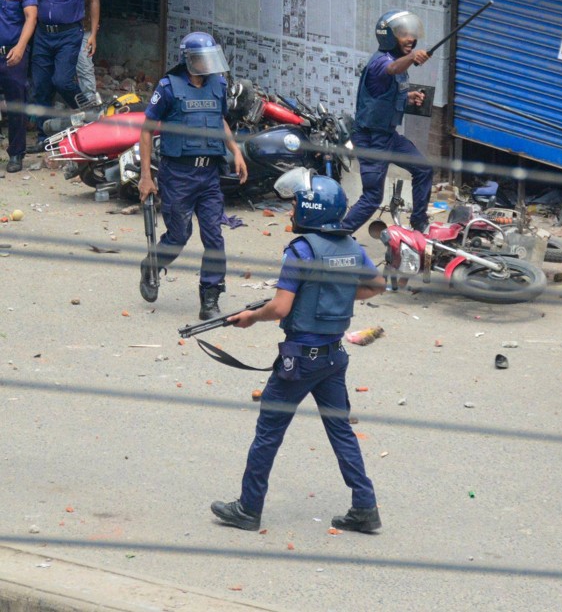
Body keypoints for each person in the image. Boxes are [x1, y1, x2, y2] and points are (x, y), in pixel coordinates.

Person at [211, 168, 386, 533]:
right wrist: (335, 293)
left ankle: (248, 508)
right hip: (333, 359)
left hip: (300, 362)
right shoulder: (352, 248)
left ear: (310, 210)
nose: (291, 213)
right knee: (341, 432)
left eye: (295, 206)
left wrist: (252, 317)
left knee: (268, 432)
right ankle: (365, 507)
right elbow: (377, 285)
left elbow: (280, 308)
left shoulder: (302, 250)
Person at [136, 32, 247, 319]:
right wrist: (146, 176)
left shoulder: (218, 85)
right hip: (178, 175)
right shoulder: (169, 87)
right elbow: (147, 130)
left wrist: (235, 150)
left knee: (214, 236)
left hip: (209, 173)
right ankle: (152, 264)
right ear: (188, 59)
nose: (208, 64)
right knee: (178, 235)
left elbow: (219, 119)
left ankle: (210, 298)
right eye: (202, 58)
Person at [341, 10, 433, 234]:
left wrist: (409, 97)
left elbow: (384, 94)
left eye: (412, 34)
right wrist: (412, 58)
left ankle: (419, 223)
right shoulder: (381, 63)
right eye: (404, 35)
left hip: (388, 137)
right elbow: (390, 70)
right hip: (371, 140)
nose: (410, 39)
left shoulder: (396, 61)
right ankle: (336, 236)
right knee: (372, 197)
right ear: (389, 37)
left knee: (424, 169)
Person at [29, 0, 97, 149]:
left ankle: (88, 114)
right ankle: (44, 137)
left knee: (62, 81)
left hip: (69, 35)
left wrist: (93, 33)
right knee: (40, 86)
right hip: (42, 35)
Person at [0, 0, 36, 174]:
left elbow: (31, 16)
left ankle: (16, 154)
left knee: (16, 106)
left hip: (12, 54)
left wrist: (21, 47)